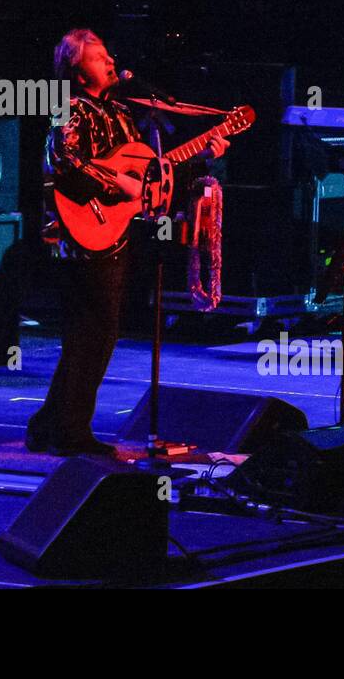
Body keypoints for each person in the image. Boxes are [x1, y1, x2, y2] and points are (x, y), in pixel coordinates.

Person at [27, 29, 226, 456]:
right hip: (78, 234)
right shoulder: (71, 108)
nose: (111, 62)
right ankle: (70, 433)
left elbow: (150, 177)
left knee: (89, 333)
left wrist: (204, 153)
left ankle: (50, 424)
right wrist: (117, 181)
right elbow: (64, 159)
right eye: (99, 58)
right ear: (79, 74)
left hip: (110, 233)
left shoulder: (120, 112)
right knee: (94, 334)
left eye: (107, 54)